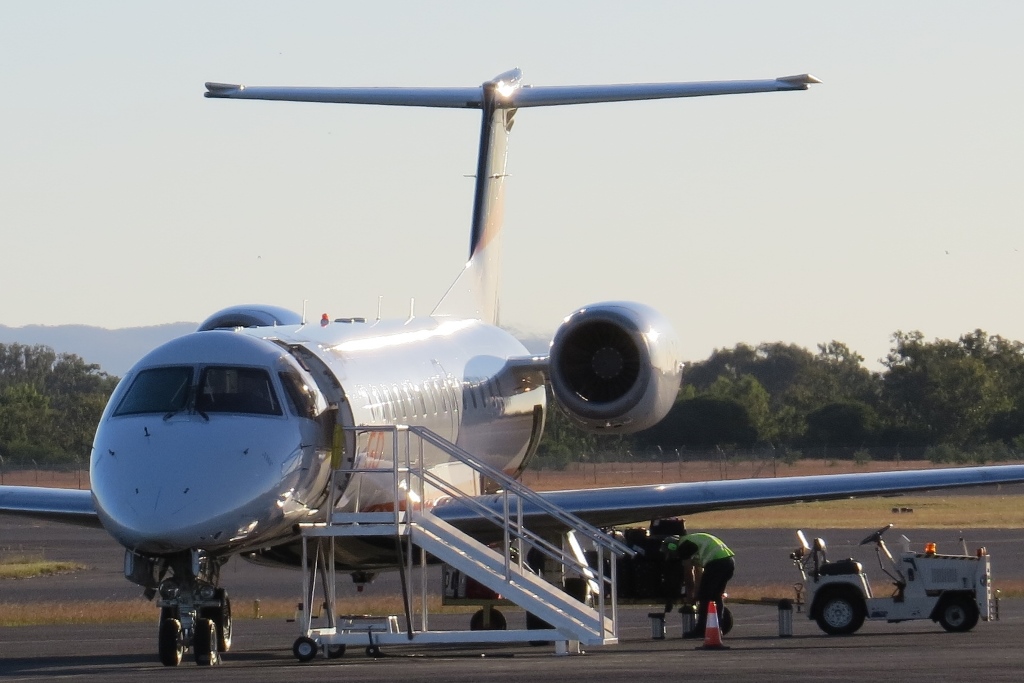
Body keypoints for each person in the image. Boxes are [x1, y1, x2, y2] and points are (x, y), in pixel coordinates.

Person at [661, 527, 735, 638]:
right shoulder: (691, 541)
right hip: (728, 562)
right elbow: (699, 571)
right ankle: (717, 627)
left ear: (673, 547)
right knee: (716, 597)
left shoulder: (684, 547)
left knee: (705, 598)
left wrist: (691, 595)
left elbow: (689, 573)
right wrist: (697, 591)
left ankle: (701, 629)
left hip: (716, 563)